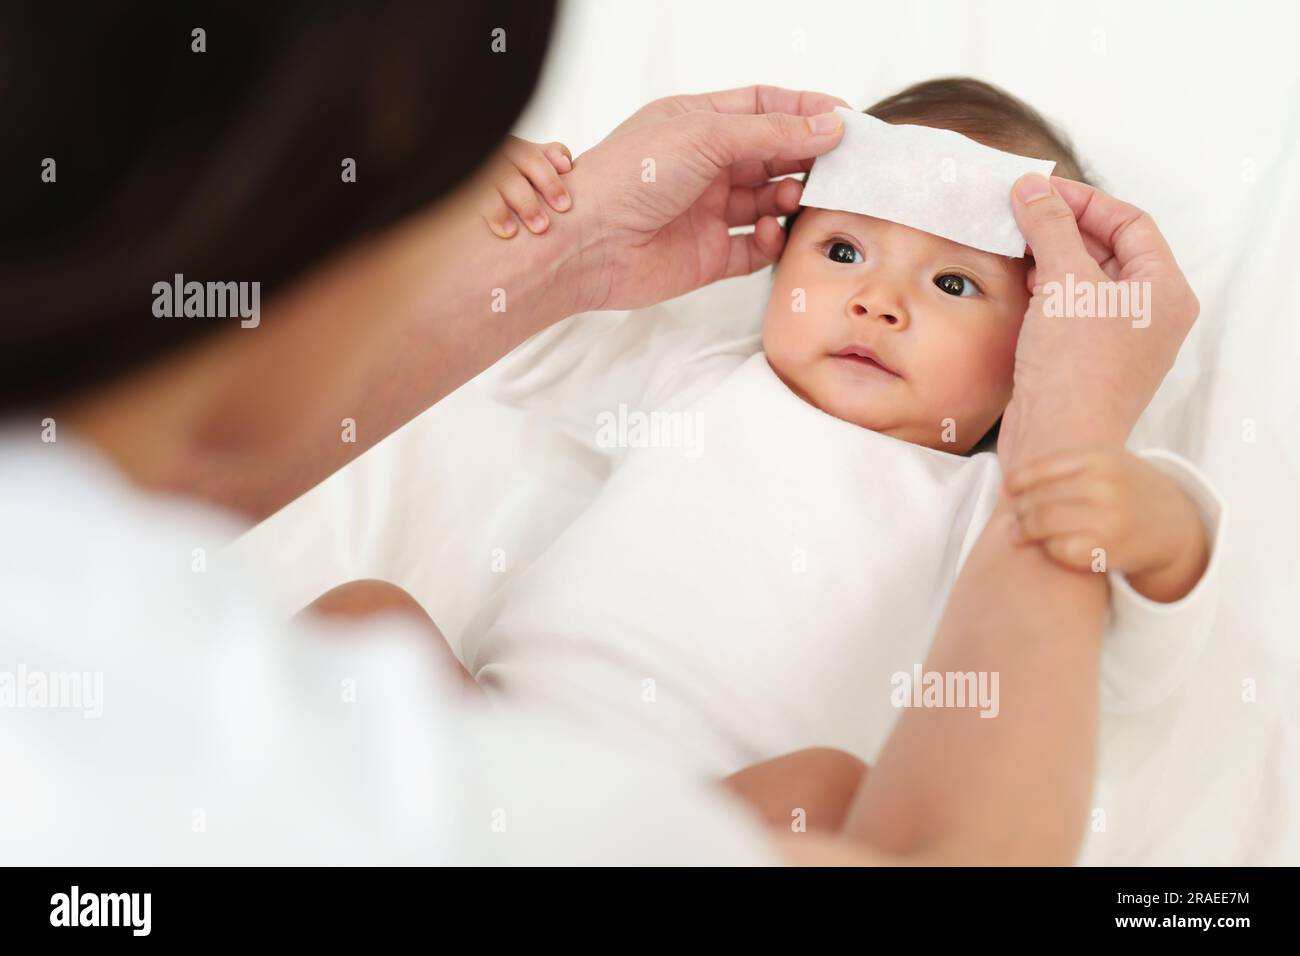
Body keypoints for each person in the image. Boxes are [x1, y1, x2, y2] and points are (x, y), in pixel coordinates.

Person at [0, 1, 1199, 864]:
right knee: (372, 610)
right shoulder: (703, 369)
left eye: (953, 287)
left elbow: (1162, 575)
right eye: (841, 252)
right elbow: (536, 342)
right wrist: (544, 229)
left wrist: (1126, 494)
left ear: (1039, 338)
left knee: (829, 787)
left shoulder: (992, 502)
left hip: (715, 796)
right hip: (493, 725)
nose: (878, 300)